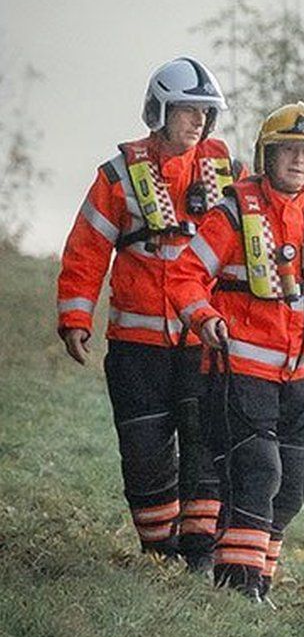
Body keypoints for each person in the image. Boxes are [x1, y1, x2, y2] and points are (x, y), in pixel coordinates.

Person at [57, 57, 244, 572]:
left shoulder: (232, 178)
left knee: (206, 450)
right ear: (159, 111)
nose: (197, 122)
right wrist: (76, 317)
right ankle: (158, 552)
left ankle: (201, 554)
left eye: (205, 114)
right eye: (187, 111)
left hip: (204, 345)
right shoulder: (118, 177)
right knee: (144, 451)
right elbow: (87, 248)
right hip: (137, 348)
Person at [166, 101, 304, 604]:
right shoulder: (232, 213)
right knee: (258, 473)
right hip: (239, 373)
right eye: (288, 150)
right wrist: (204, 319)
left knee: (289, 488)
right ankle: (237, 586)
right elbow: (184, 276)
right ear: (268, 156)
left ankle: (258, 583)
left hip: (296, 377)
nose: (297, 161)